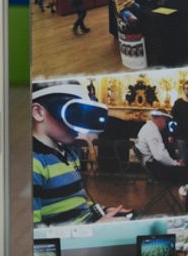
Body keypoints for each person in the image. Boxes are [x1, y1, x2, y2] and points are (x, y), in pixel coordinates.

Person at [31, 81, 129, 225]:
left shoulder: (69, 155)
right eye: (74, 115)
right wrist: (96, 229)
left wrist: (103, 212)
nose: (78, 128)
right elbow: (33, 232)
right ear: (38, 112)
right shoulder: (33, 164)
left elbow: (79, 203)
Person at [134, 110, 188, 210]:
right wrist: (175, 163)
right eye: (165, 121)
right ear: (160, 119)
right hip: (159, 170)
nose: (166, 124)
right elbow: (160, 156)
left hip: (155, 168)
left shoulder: (147, 128)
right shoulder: (152, 131)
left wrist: (174, 162)